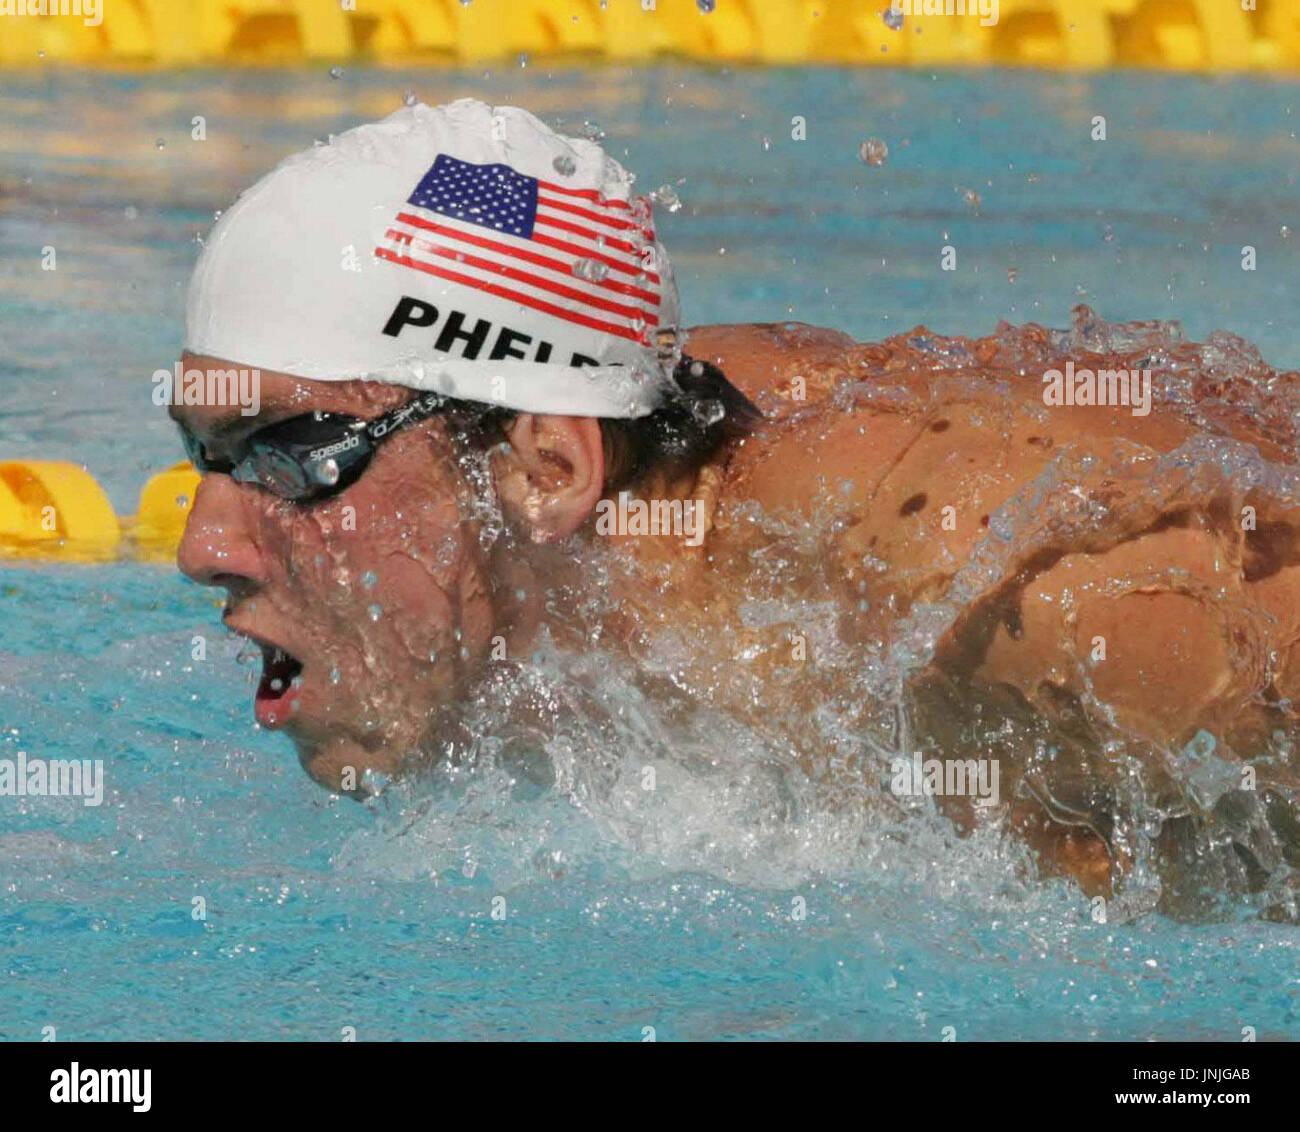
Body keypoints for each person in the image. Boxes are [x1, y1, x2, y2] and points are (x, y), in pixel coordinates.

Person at [173, 99, 1300, 914]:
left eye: (289, 451)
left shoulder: (998, 587)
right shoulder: (596, 540)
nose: (202, 546)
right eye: (203, 460)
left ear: (545, 470)